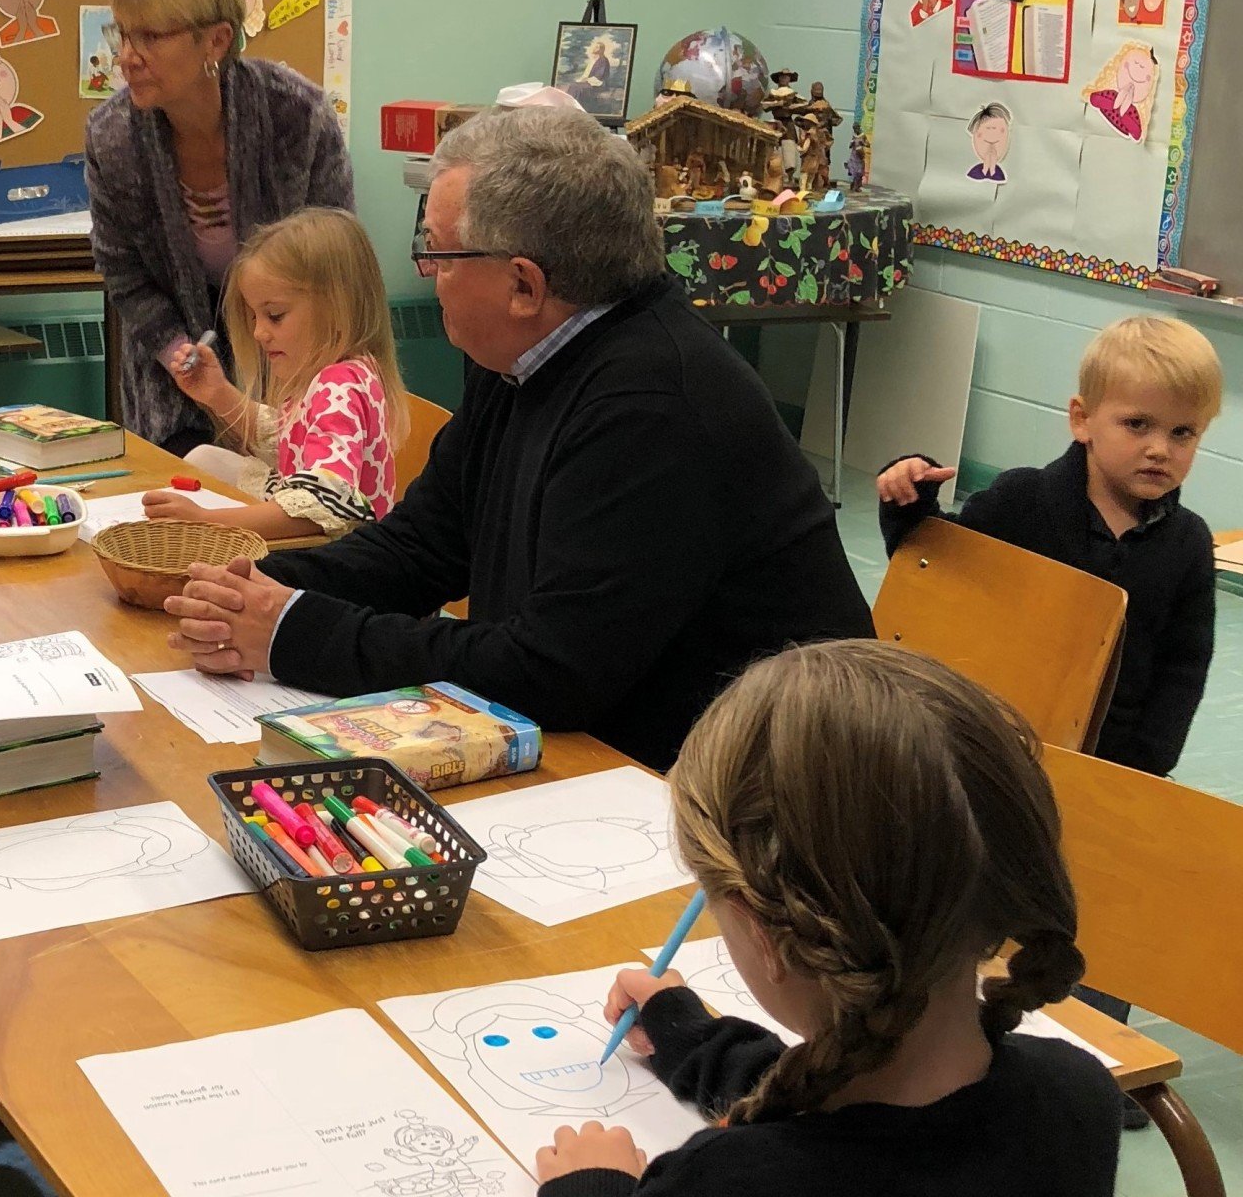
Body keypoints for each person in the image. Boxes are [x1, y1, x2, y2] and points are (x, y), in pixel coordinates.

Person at [163, 106, 873, 770]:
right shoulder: (520, 359)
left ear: (524, 287)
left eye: (438, 253)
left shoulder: (653, 405)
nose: (427, 275)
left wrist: (294, 632)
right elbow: (423, 547)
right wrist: (249, 588)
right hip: (617, 750)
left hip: (742, 791)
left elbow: (550, 672)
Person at [532, 640, 1121, 1196]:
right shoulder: (1077, 1093)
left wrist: (592, 1186)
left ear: (762, 934)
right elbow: (861, 1109)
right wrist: (697, 1042)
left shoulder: (724, 1181)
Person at [877, 316, 1221, 779]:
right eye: (1137, 424)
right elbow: (934, 569)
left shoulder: (1190, 544)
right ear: (1082, 420)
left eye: (1183, 433)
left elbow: (1184, 664)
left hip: (1110, 762)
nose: (1160, 449)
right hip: (990, 744)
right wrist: (909, 497)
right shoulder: (1020, 500)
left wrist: (1145, 765)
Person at [86, 0, 354, 456]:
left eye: (150, 37)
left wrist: (269, 384)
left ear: (215, 40)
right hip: (174, 386)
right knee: (188, 514)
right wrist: (179, 356)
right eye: (122, 35)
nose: (126, 58)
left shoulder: (295, 114)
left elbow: (334, 258)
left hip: (296, 370)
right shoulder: (112, 136)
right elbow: (123, 272)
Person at [143, 207, 409, 540]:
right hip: (320, 548)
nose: (258, 333)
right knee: (202, 457)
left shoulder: (339, 384)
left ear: (336, 307)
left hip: (333, 568)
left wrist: (207, 521)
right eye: (255, 316)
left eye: (275, 315)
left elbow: (325, 504)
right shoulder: (336, 374)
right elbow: (289, 441)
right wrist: (218, 392)